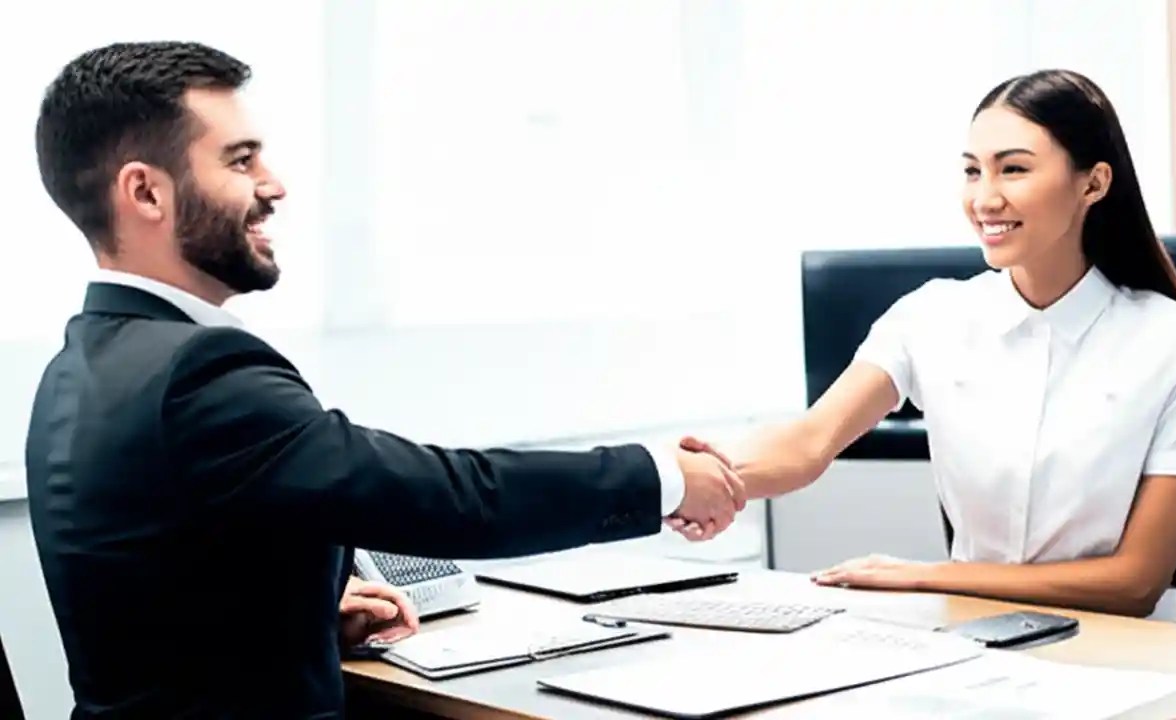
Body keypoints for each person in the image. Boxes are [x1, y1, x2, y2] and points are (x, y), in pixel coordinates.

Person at [25, 41, 745, 719]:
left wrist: (296, 618)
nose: (274, 185)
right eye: (240, 161)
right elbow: (444, 496)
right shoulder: (198, 373)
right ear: (146, 193)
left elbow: (157, 595)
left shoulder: (77, 368)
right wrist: (663, 480)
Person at [671, 69, 1176, 622]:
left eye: (1013, 169)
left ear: (1093, 183)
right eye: (971, 171)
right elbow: (810, 442)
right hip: (976, 642)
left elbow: (1134, 583)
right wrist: (677, 482)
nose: (985, 198)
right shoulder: (930, 315)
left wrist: (923, 576)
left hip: (1136, 654)